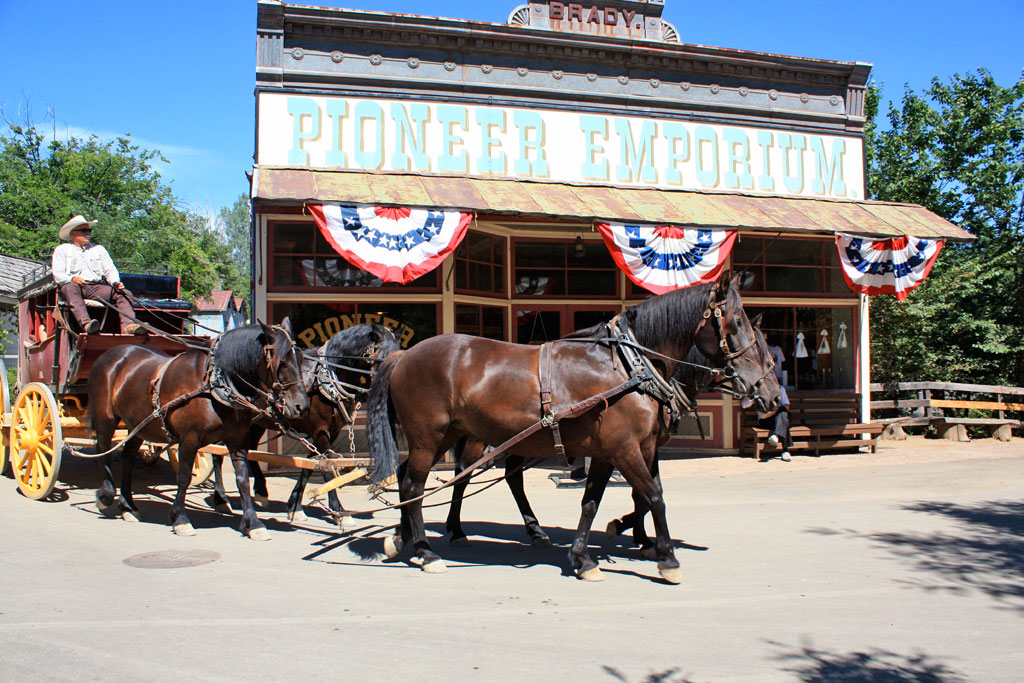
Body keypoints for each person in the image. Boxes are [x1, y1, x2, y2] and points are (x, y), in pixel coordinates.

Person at [51, 215, 143, 335]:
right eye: (84, 230)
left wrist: (115, 282)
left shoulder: (99, 249)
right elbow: (58, 274)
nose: (88, 233)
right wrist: (73, 278)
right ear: (73, 233)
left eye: (89, 230)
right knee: (70, 288)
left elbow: (110, 270)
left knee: (124, 293)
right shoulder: (62, 250)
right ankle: (86, 324)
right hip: (73, 286)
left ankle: (128, 325)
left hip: (96, 286)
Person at [760, 336, 794, 462]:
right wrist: (776, 411)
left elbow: (787, 405)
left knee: (783, 414)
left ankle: (776, 437)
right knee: (783, 418)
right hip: (766, 420)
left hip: (778, 418)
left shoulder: (781, 389)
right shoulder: (761, 390)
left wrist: (778, 411)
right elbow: (762, 415)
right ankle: (785, 451)